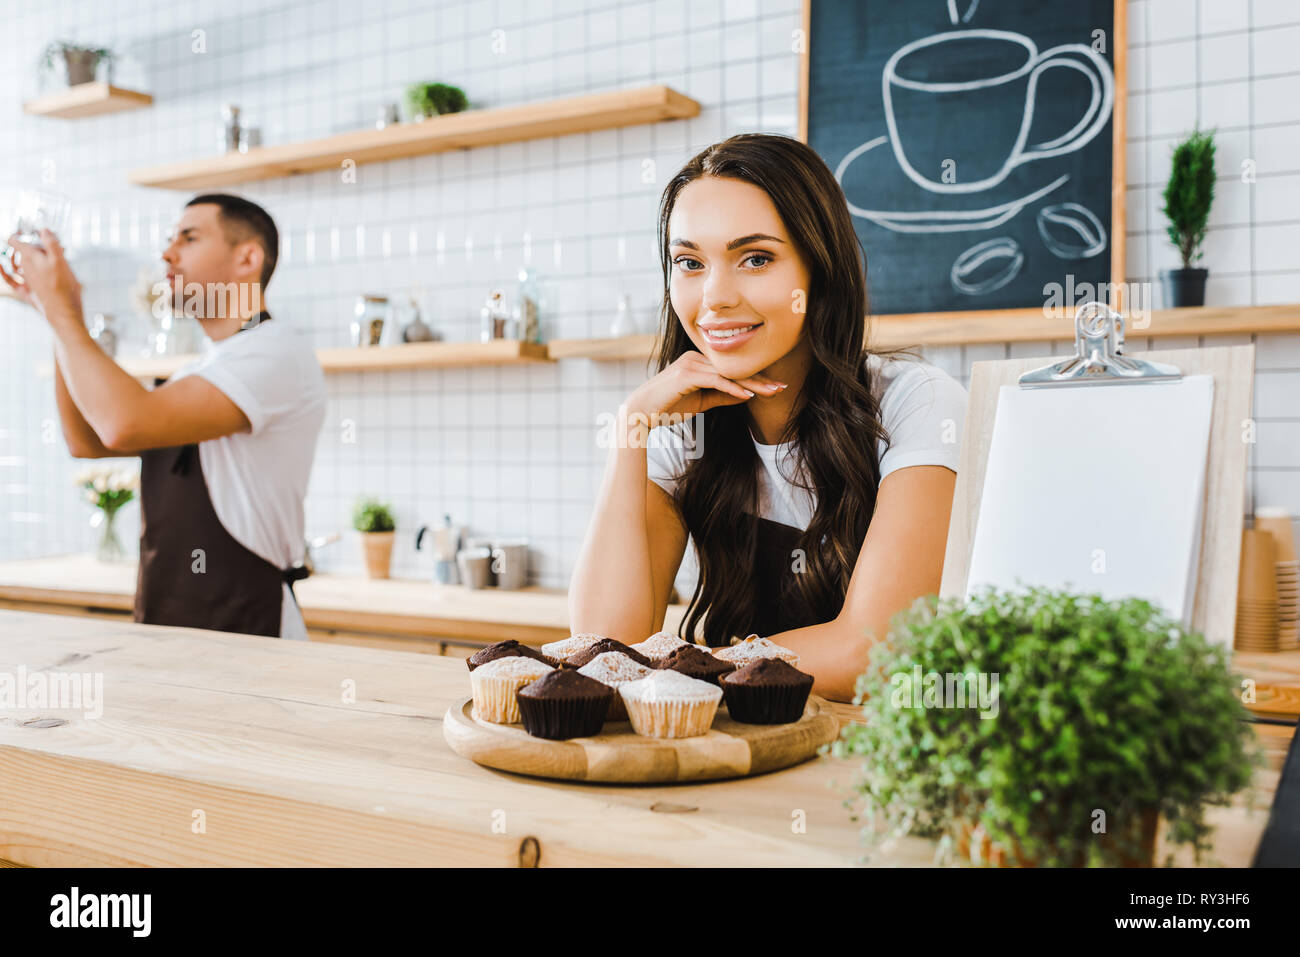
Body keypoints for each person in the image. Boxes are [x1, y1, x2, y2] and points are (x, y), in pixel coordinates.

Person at [568, 133, 969, 702]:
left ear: (819, 269)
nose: (716, 296)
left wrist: (681, 670)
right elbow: (604, 650)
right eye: (689, 262)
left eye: (755, 258)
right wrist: (630, 429)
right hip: (742, 751)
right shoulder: (681, 429)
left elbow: (871, 651)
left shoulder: (916, 403)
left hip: (881, 759)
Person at [3, 194, 326, 640]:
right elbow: (90, 441)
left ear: (248, 257)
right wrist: (60, 314)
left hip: (251, 631)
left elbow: (123, 422)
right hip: (170, 624)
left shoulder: (276, 351)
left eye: (188, 238)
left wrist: (62, 311)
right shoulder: (201, 370)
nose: (166, 254)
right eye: (168, 239)